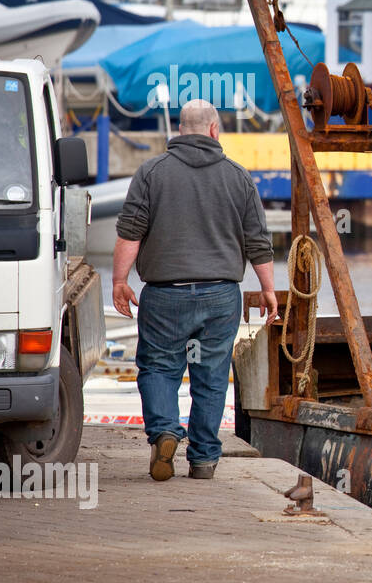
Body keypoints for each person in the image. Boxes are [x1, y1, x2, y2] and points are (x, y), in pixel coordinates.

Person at [112, 100, 278, 481]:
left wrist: (120, 281)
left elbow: (130, 232)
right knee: (211, 375)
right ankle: (203, 459)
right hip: (220, 297)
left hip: (165, 295)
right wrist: (268, 288)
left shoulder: (151, 172)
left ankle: (166, 431)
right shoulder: (238, 177)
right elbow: (258, 240)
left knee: (158, 367)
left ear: (181, 129)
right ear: (214, 129)